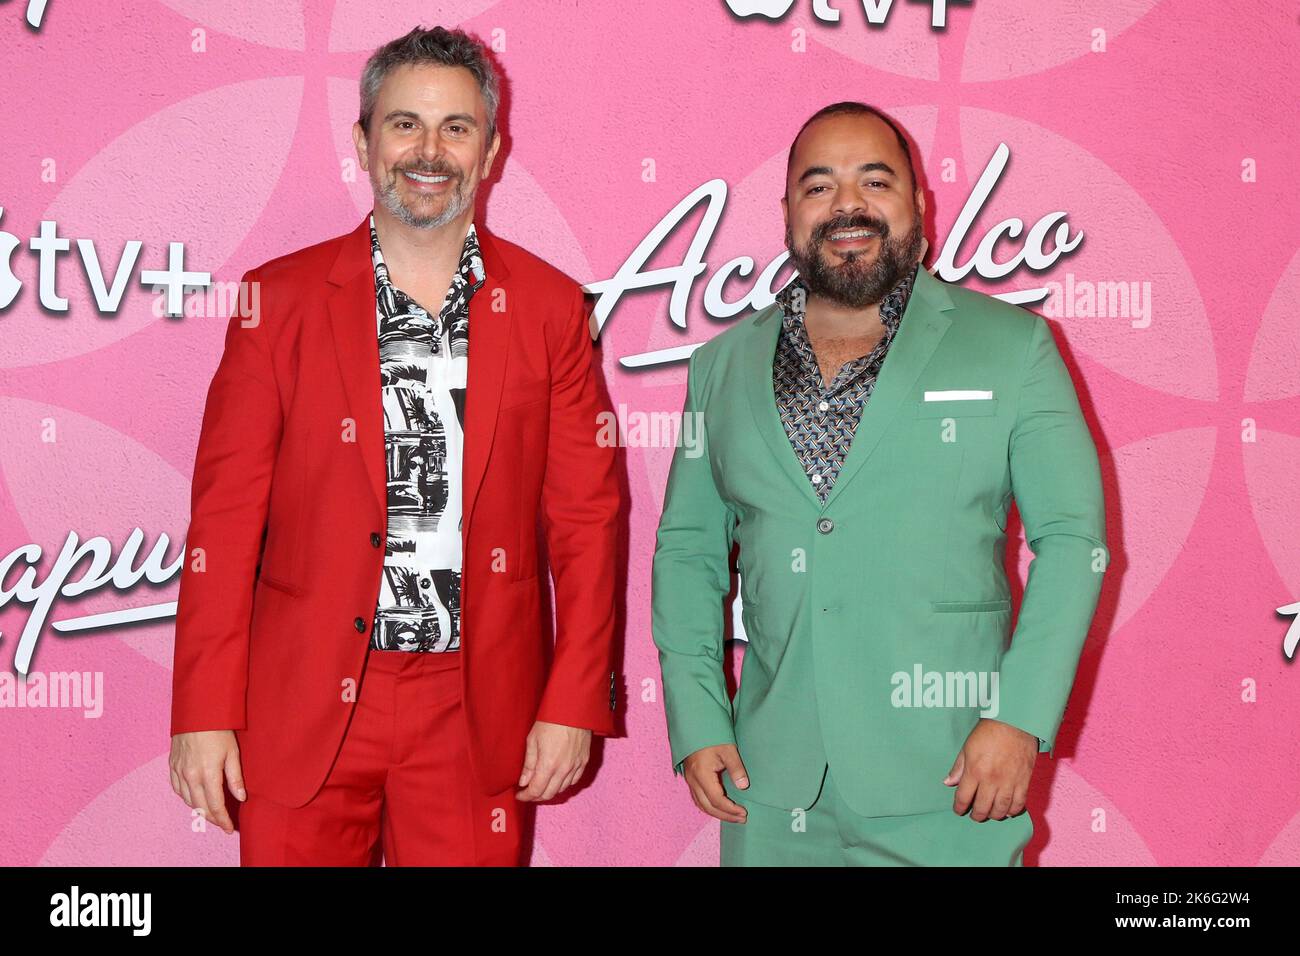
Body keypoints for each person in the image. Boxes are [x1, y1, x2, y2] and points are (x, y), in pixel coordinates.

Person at [169, 25, 621, 866]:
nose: (430, 150)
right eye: (404, 123)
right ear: (363, 142)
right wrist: (200, 709)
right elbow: (224, 522)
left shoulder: (552, 310)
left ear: (490, 152)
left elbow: (589, 525)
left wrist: (573, 702)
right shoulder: (278, 303)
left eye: (457, 127)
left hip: (474, 701)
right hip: (301, 696)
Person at [652, 102, 1108, 866]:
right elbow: (687, 553)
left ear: (917, 203)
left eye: (875, 180)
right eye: (819, 186)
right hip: (770, 789)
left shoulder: (1012, 346)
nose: (847, 206)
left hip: (952, 773)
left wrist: (1019, 719)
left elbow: (1074, 543)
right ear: (789, 213)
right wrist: (700, 721)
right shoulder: (719, 367)